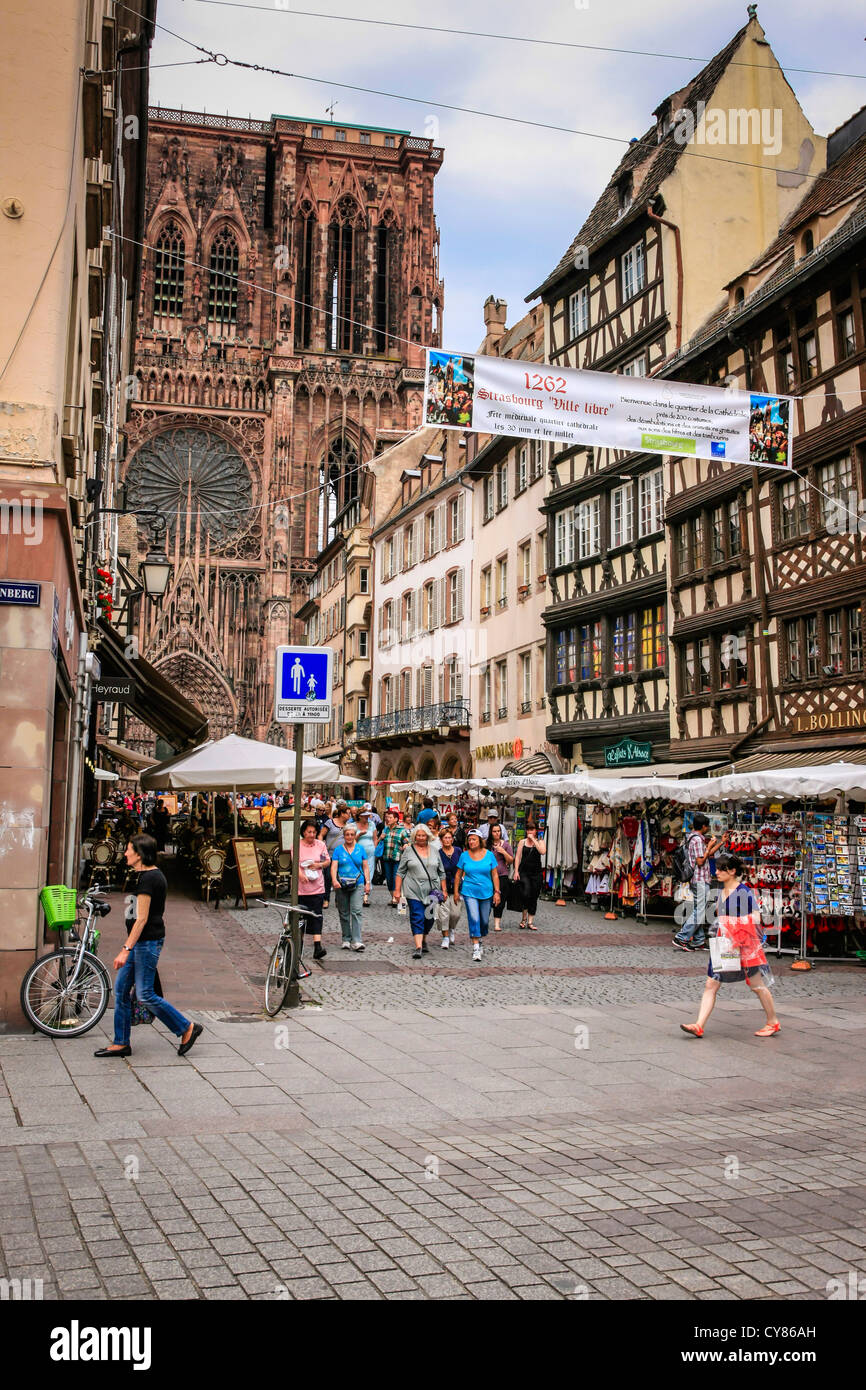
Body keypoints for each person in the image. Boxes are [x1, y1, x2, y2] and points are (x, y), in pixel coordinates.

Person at [94, 834, 202, 1059]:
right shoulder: (144, 876)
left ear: (140, 853)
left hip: (146, 943)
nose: (125, 853)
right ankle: (121, 1042)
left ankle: (186, 1027)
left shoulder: (150, 879)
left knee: (144, 994)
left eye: (129, 849)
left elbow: (141, 919)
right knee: (122, 990)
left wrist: (125, 949)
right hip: (141, 943)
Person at [680, 853, 781, 1039]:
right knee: (711, 983)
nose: (716, 872)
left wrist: (733, 922)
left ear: (732, 871)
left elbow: (757, 918)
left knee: (756, 984)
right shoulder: (722, 890)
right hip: (725, 944)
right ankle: (699, 1025)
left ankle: (773, 1021)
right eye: (716, 868)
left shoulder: (743, 892)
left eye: (720, 869)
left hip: (744, 945)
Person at [673, 813, 725, 952]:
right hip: (700, 878)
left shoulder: (694, 838)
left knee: (699, 909)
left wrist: (720, 843)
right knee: (700, 911)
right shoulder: (697, 840)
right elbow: (701, 861)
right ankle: (682, 937)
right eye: (707, 826)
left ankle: (698, 940)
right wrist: (710, 845)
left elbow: (706, 855)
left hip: (699, 879)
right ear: (703, 826)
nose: (708, 828)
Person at [395, 824, 447, 960]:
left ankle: (424, 938)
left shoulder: (435, 851)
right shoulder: (408, 851)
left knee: (429, 918)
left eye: (423, 835)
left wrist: (444, 890)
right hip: (413, 888)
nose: (421, 838)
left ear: (428, 836)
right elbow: (400, 872)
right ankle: (418, 947)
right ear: (414, 837)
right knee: (417, 916)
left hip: (432, 890)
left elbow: (442, 873)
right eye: (418, 835)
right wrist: (397, 891)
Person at [454, 830, 500, 963]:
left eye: (474, 839)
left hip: (486, 892)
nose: (471, 842)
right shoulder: (464, 855)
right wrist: (456, 892)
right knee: (474, 917)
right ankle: (475, 947)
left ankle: (479, 939)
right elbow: (458, 875)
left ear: (480, 840)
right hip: (469, 891)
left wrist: (497, 892)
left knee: (484, 921)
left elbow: (495, 874)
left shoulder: (489, 855)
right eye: (469, 839)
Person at [330, 824, 370, 951]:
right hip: (341, 884)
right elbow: (334, 867)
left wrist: (367, 882)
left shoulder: (360, 849)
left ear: (355, 835)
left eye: (352, 834)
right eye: (347, 834)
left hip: (358, 882)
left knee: (357, 911)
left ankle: (357, 940)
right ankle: (346, 938)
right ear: (344, 835)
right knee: (344, 913)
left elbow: (365, 866)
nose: (349, 837)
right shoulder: (338, 850)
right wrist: (334, 880)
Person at [295, 819, 329, 960]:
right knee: (300, 917)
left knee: (317, 915)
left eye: (314, 832)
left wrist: (319, 865)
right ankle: (299, 944)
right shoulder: (297, 845)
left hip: (317, 887)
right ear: (303, 832)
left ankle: (317, 946)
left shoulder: (320, 845)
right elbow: (294, 862)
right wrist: (300, 874)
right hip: (302, 888)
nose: (312, 834)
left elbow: (327, 861)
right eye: (309, 832)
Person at [319, 802, 355, 908]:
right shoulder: (330, 822)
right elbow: (321, 835)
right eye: (348, 813)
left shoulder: (348, 826)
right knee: (328, 877)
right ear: (342, 813)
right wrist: (322, 848)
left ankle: (338, 899)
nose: (350, 816)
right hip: (329, 855)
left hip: (343, 856)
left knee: (340, 877)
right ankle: (326, 899)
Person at [513, 819, 546, 930]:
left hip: (536, 873)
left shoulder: (540, 841)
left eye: (532, 829)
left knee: (534, 896)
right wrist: (516, 871)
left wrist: (534, 840)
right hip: (524, 872)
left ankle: (530, 921)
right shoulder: (522, 842)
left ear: (536, 831)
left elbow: (542, 851)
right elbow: (517, 857)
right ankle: (523, 918)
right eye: (528, 829)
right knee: (525, 894)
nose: (529, 832)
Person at [436, 827, 463, 949]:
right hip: (443, 888)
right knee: (443, 915)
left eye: (449, 838)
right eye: (445, 838)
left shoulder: (458, 851)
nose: (447, 840)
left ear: (452, 839)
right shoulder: (438, 853)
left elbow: (463, 867)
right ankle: (445, 937)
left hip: (457, 887)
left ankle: (452, 928)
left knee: (455, 914)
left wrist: (462, 878)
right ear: (441, 840)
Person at [488, 822, 514, 932]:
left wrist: (503, 852)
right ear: (491, 832)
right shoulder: (486, 844)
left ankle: (497, 923)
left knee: (500, 900)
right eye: (494, 831)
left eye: (498, 831)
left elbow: (511, 860)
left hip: (502, 875)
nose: (497, 833)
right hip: (488, 876)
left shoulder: (506, 845)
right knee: (488, 898)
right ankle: (484, 920)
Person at [382, 808, 410, 902]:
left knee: (395, 878)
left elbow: (407, 842)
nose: (387, 819)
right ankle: (393, 897)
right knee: (389, 879)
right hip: (386, 857)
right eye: (386, 817)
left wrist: (405, 845)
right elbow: (379, 843)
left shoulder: (401, 830)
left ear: (396, 819)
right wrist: (380, 838)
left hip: (397, 858)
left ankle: (396, 898)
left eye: (390, 817)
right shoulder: (385, 830)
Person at [354, 810, 378, 907]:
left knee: (369, 873)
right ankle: (358, 894)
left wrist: (374, 848)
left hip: (370, 853)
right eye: (364, 816)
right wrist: (359, 835)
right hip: (357, 853)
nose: (367, 818)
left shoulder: (372, 824)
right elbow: (351, 840)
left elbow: (375, 838)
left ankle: (365, 896)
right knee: (360, 873)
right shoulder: (354, 825)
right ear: (359, 816)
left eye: (368, 816)